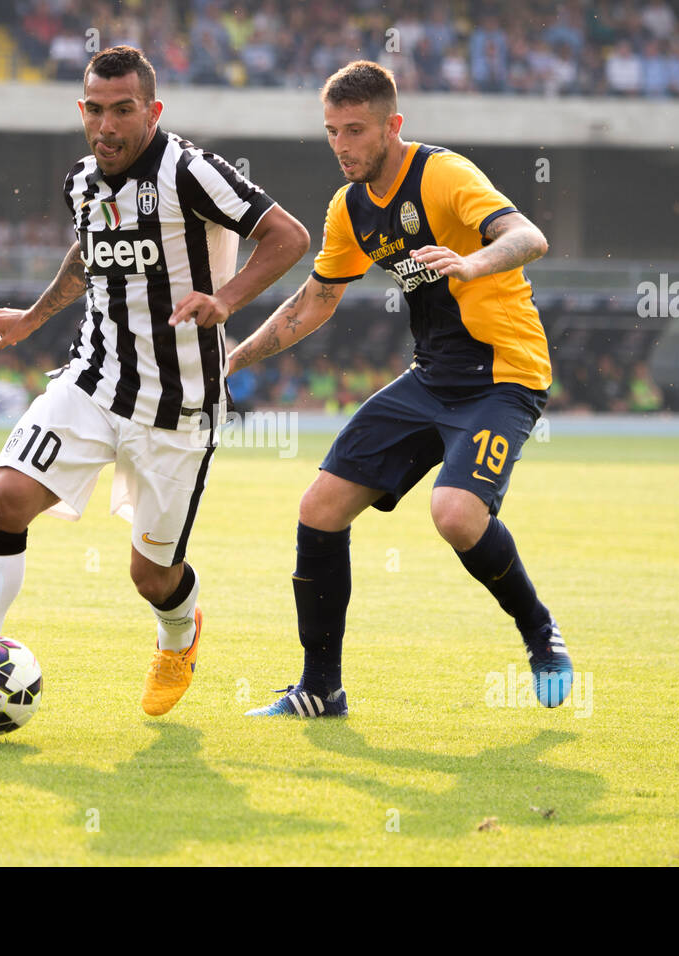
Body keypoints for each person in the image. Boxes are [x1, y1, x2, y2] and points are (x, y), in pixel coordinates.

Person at [0, 46, 307, 720]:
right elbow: (89, 251)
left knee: (152, 576)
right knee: (4, 498)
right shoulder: (82, 182)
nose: (106, 125)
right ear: (80, 109)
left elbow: (288, 236)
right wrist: (33, 315)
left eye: (123, 110)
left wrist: (225, 298)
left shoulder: (190, 170)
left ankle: (180, 635)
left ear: (152, 110)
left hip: (180, 405)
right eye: (95, 109)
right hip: (94, 379)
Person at [228, 60, 571, 718]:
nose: (343, 146)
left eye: (356, 130)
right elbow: (315, 301)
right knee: (318, 509)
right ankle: (321, 690)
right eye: (332, 132)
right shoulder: (349, 208)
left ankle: (539, 632)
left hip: (505, 374)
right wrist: (233, 360)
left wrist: (473, 260)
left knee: (456, 514)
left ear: (394, 125)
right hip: (431, 378)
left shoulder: (443, 174)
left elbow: (530, 235)